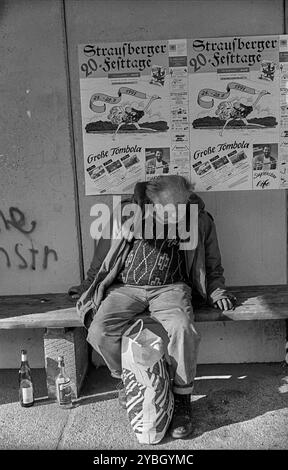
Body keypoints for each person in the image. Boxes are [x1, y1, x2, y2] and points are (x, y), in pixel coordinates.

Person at [69, 175, 236, 439]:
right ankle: (126, 379)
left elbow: (213, 263)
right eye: (169, 208)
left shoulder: (200, 219)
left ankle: (181, 398)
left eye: (182, 205)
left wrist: (216, 290)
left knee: (183, 329)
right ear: (152, 202)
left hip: (171, 288)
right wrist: (88, 286)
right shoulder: (125, 215)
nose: (178, 213)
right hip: (125, 288)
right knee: (99, 330)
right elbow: (101, 259)